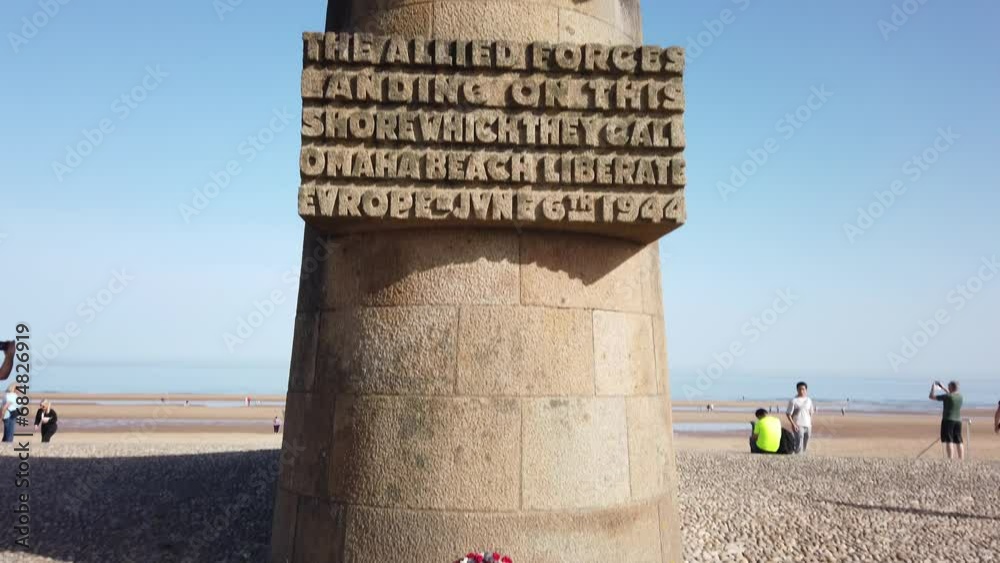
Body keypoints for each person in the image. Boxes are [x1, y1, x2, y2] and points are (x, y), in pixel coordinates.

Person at [930, 380, 964, 459]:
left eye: (949, 386)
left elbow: (931, 397)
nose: (948, 387)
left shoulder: (947, 397)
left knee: (949, 440)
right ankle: (961, 458)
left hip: (948, 420)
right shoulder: (960, 396)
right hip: (958, 420)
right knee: (959, 440)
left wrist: (933, 389)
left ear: (951, 387)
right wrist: (943, 387)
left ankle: (950, 458)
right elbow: (951, 394)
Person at [786, 381, 815, 454]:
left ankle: (803, 456)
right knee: (799, 443)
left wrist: (810, 422)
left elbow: (811, 412)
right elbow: (788, 414)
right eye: (800, 389)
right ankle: (798, 457)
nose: (801, 391)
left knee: (806, 442)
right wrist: (793, 424)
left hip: (808, 425)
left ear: (806, 390)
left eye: (803, 389)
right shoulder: (793, 401)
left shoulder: (809, 400)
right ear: (797, 390)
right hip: (798, 425)